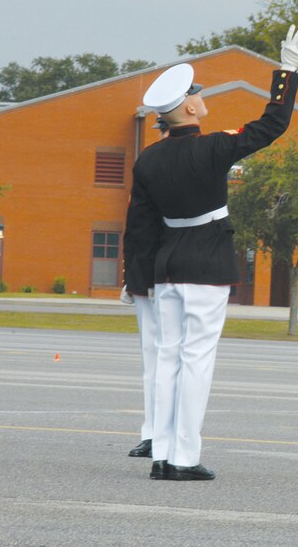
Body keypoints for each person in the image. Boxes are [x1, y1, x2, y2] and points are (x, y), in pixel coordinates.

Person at [124, 24, 298, 481]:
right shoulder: (212, 148)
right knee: (196, 361)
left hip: (166, 266)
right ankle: (184, 457)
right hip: (207, 261)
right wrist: (286, 71)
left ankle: (162, 455)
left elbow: (140, 227)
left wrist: (136, 280)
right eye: (197, 94)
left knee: (167, 358)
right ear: (188, 106)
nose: (203, 98)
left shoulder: (148, 158)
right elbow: (272, 125)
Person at [120, 118, 170, 459]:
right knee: (151, 361)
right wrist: (131, 275)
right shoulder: (150, 161)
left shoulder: (183, 163)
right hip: (145, 276)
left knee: (169, 358)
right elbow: (135, 224)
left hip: (171, 272)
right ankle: (152, 432)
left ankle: (166, 433)